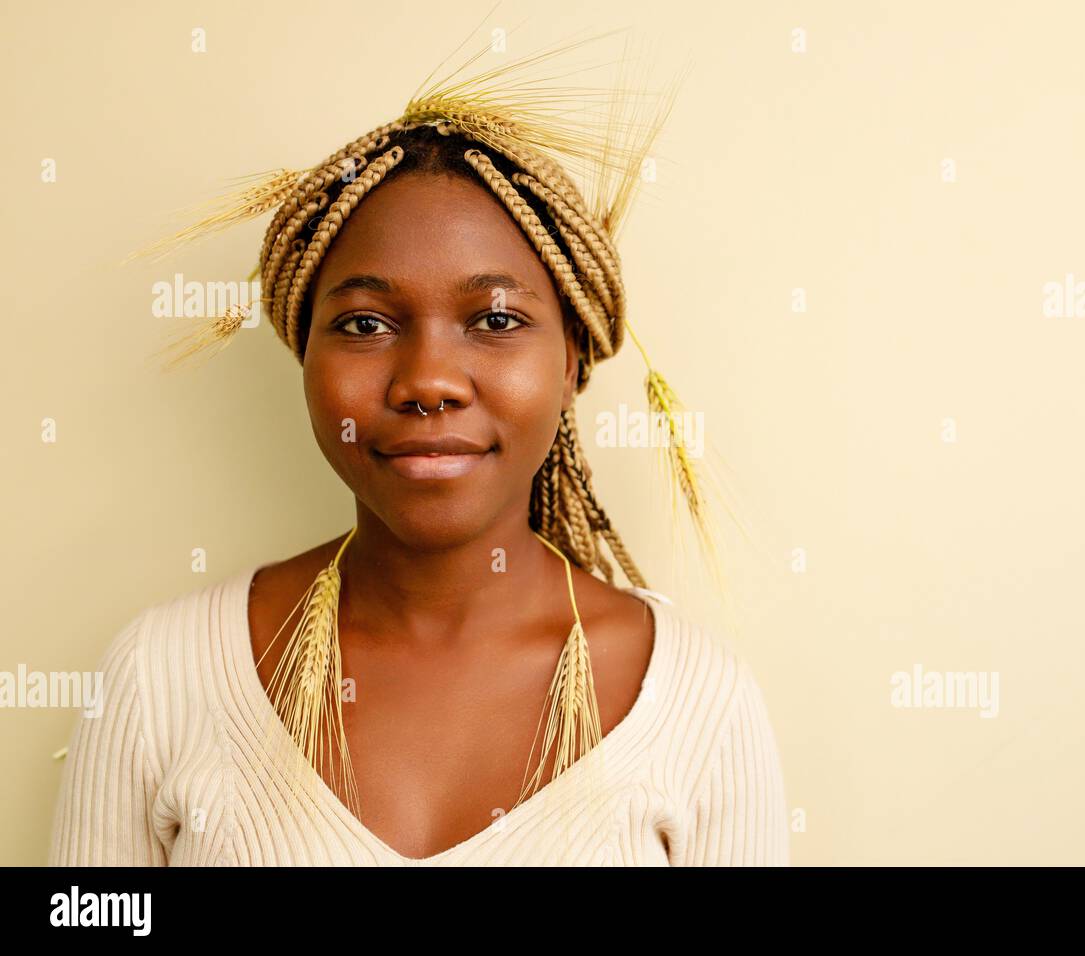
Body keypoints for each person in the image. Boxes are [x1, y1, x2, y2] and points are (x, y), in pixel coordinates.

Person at [47, 32, 789, 866]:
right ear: (305, 353)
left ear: (573, 357)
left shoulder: (699, 703)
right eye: (365, 324)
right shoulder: (160, 678)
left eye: (496, 321)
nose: (428, 380)